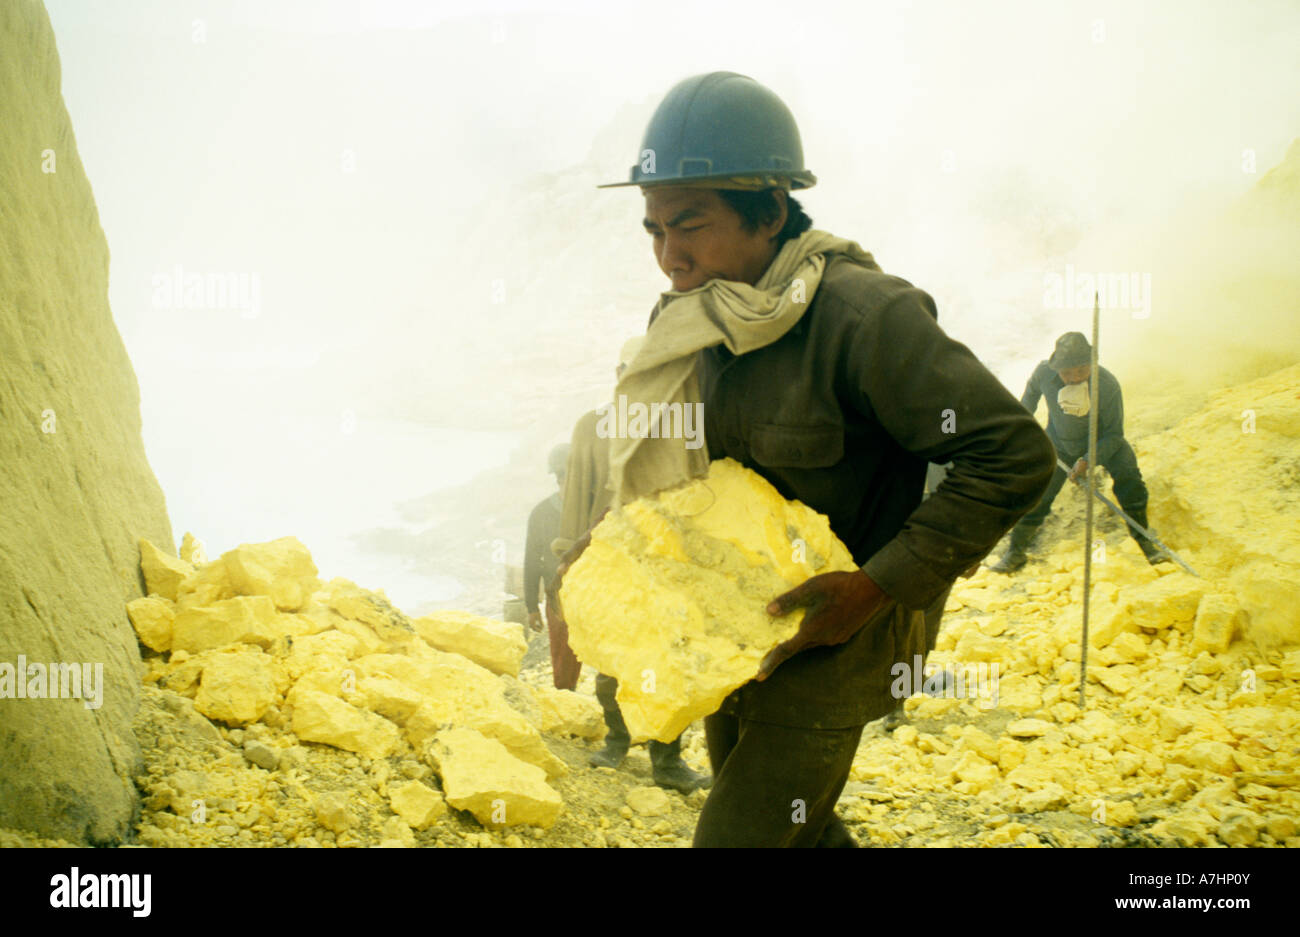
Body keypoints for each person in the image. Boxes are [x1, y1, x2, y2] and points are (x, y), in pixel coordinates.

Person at [550, 71, 1057, 848]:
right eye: (654, 231)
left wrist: (876, 586)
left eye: (691, 225)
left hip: (839, 639)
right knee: (798, 830)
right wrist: (613, 543)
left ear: (771, 211)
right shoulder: (692, 321)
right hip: (729, 623)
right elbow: (681, 476)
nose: (669, 259)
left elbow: (1014, 454)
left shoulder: (865, 317)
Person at [551, 338, 710, 794]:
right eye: (632, 370)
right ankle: (616, 741)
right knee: (611, 659)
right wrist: (567, 559)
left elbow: (702, 494)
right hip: (607, 566)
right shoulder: (592, 427)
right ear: (618, 373)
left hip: (668, 566)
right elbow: (578, 497)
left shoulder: (686, 424)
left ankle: (667, 759)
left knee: (668, 660)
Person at [991, 332, 1168, 573]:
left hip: (1104, 443)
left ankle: (1145, 542)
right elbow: (1029, 398)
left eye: (1082, 370)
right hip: (1059, 444)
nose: (1074, 377)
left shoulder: (1107, 385)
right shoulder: (1044, 372)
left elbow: (1115, 434)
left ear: (1092, 364)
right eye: (1067, 372)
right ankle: (1016, 552)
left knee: (1131, 480)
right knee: (1037, 493)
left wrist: (1087, 460)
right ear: (1056, 368)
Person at [523, 444, 568, 636]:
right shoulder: (541, 514)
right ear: (558, 477)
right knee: (564, 664)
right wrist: (532, 607)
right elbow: (532, 562)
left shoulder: (597, 510)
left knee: (607, 663)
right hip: (559, 603)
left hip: (596, 598)